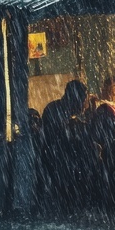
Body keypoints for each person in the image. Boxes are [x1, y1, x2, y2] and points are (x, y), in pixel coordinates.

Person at [40, 80, 90, 213]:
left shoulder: (57, 107)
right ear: (76, 99)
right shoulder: (59, 112)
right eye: (85, 99)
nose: (86, 104)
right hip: (57, 159)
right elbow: (65, 140)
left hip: (57, 157)